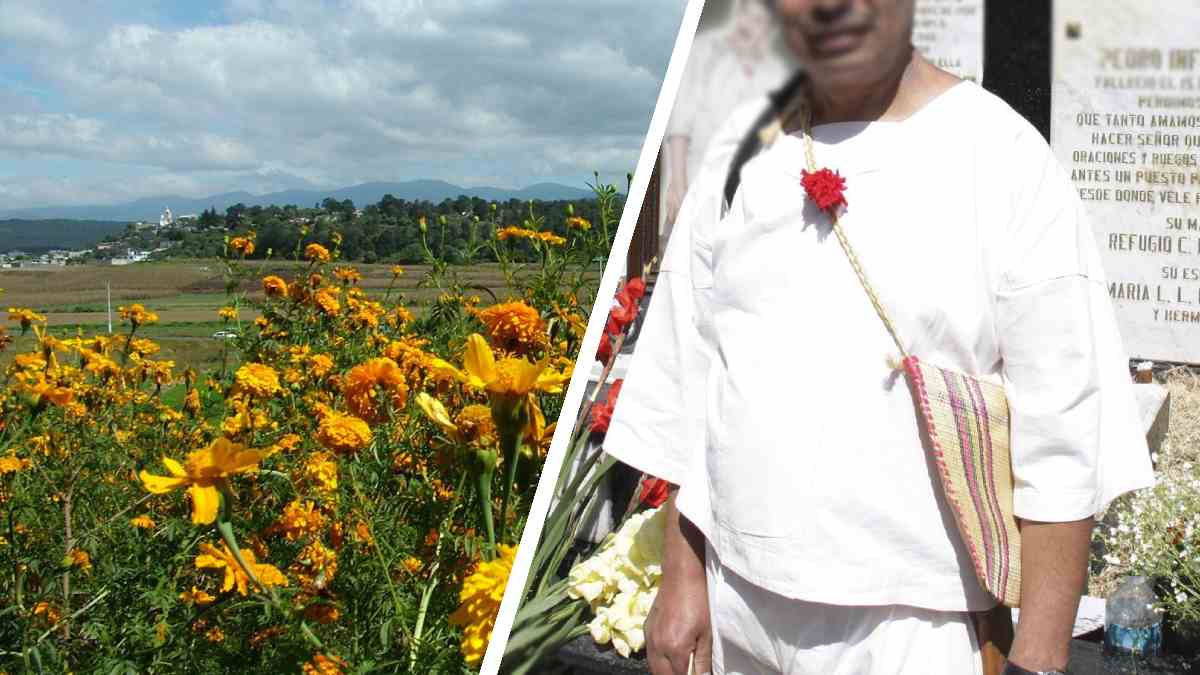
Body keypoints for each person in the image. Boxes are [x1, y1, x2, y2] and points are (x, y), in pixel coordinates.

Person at [600, 1, 1155, 673]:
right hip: (736, 603)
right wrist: (683, 579)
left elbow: (1064, 430)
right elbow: (694, 381)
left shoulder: (1002, 158)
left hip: (915, 625)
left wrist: (1037, 658)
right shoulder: (738, 154)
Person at [663, 0, 799, 240]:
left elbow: (775, 137)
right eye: (746, 15)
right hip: (696, 177)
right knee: (684, 253)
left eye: (759, 22)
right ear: (738, 11)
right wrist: (677, 181)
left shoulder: (774, 73)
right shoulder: (704, 51)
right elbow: (680, 121)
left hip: (747, 191)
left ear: (772, 28)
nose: (748, 26)